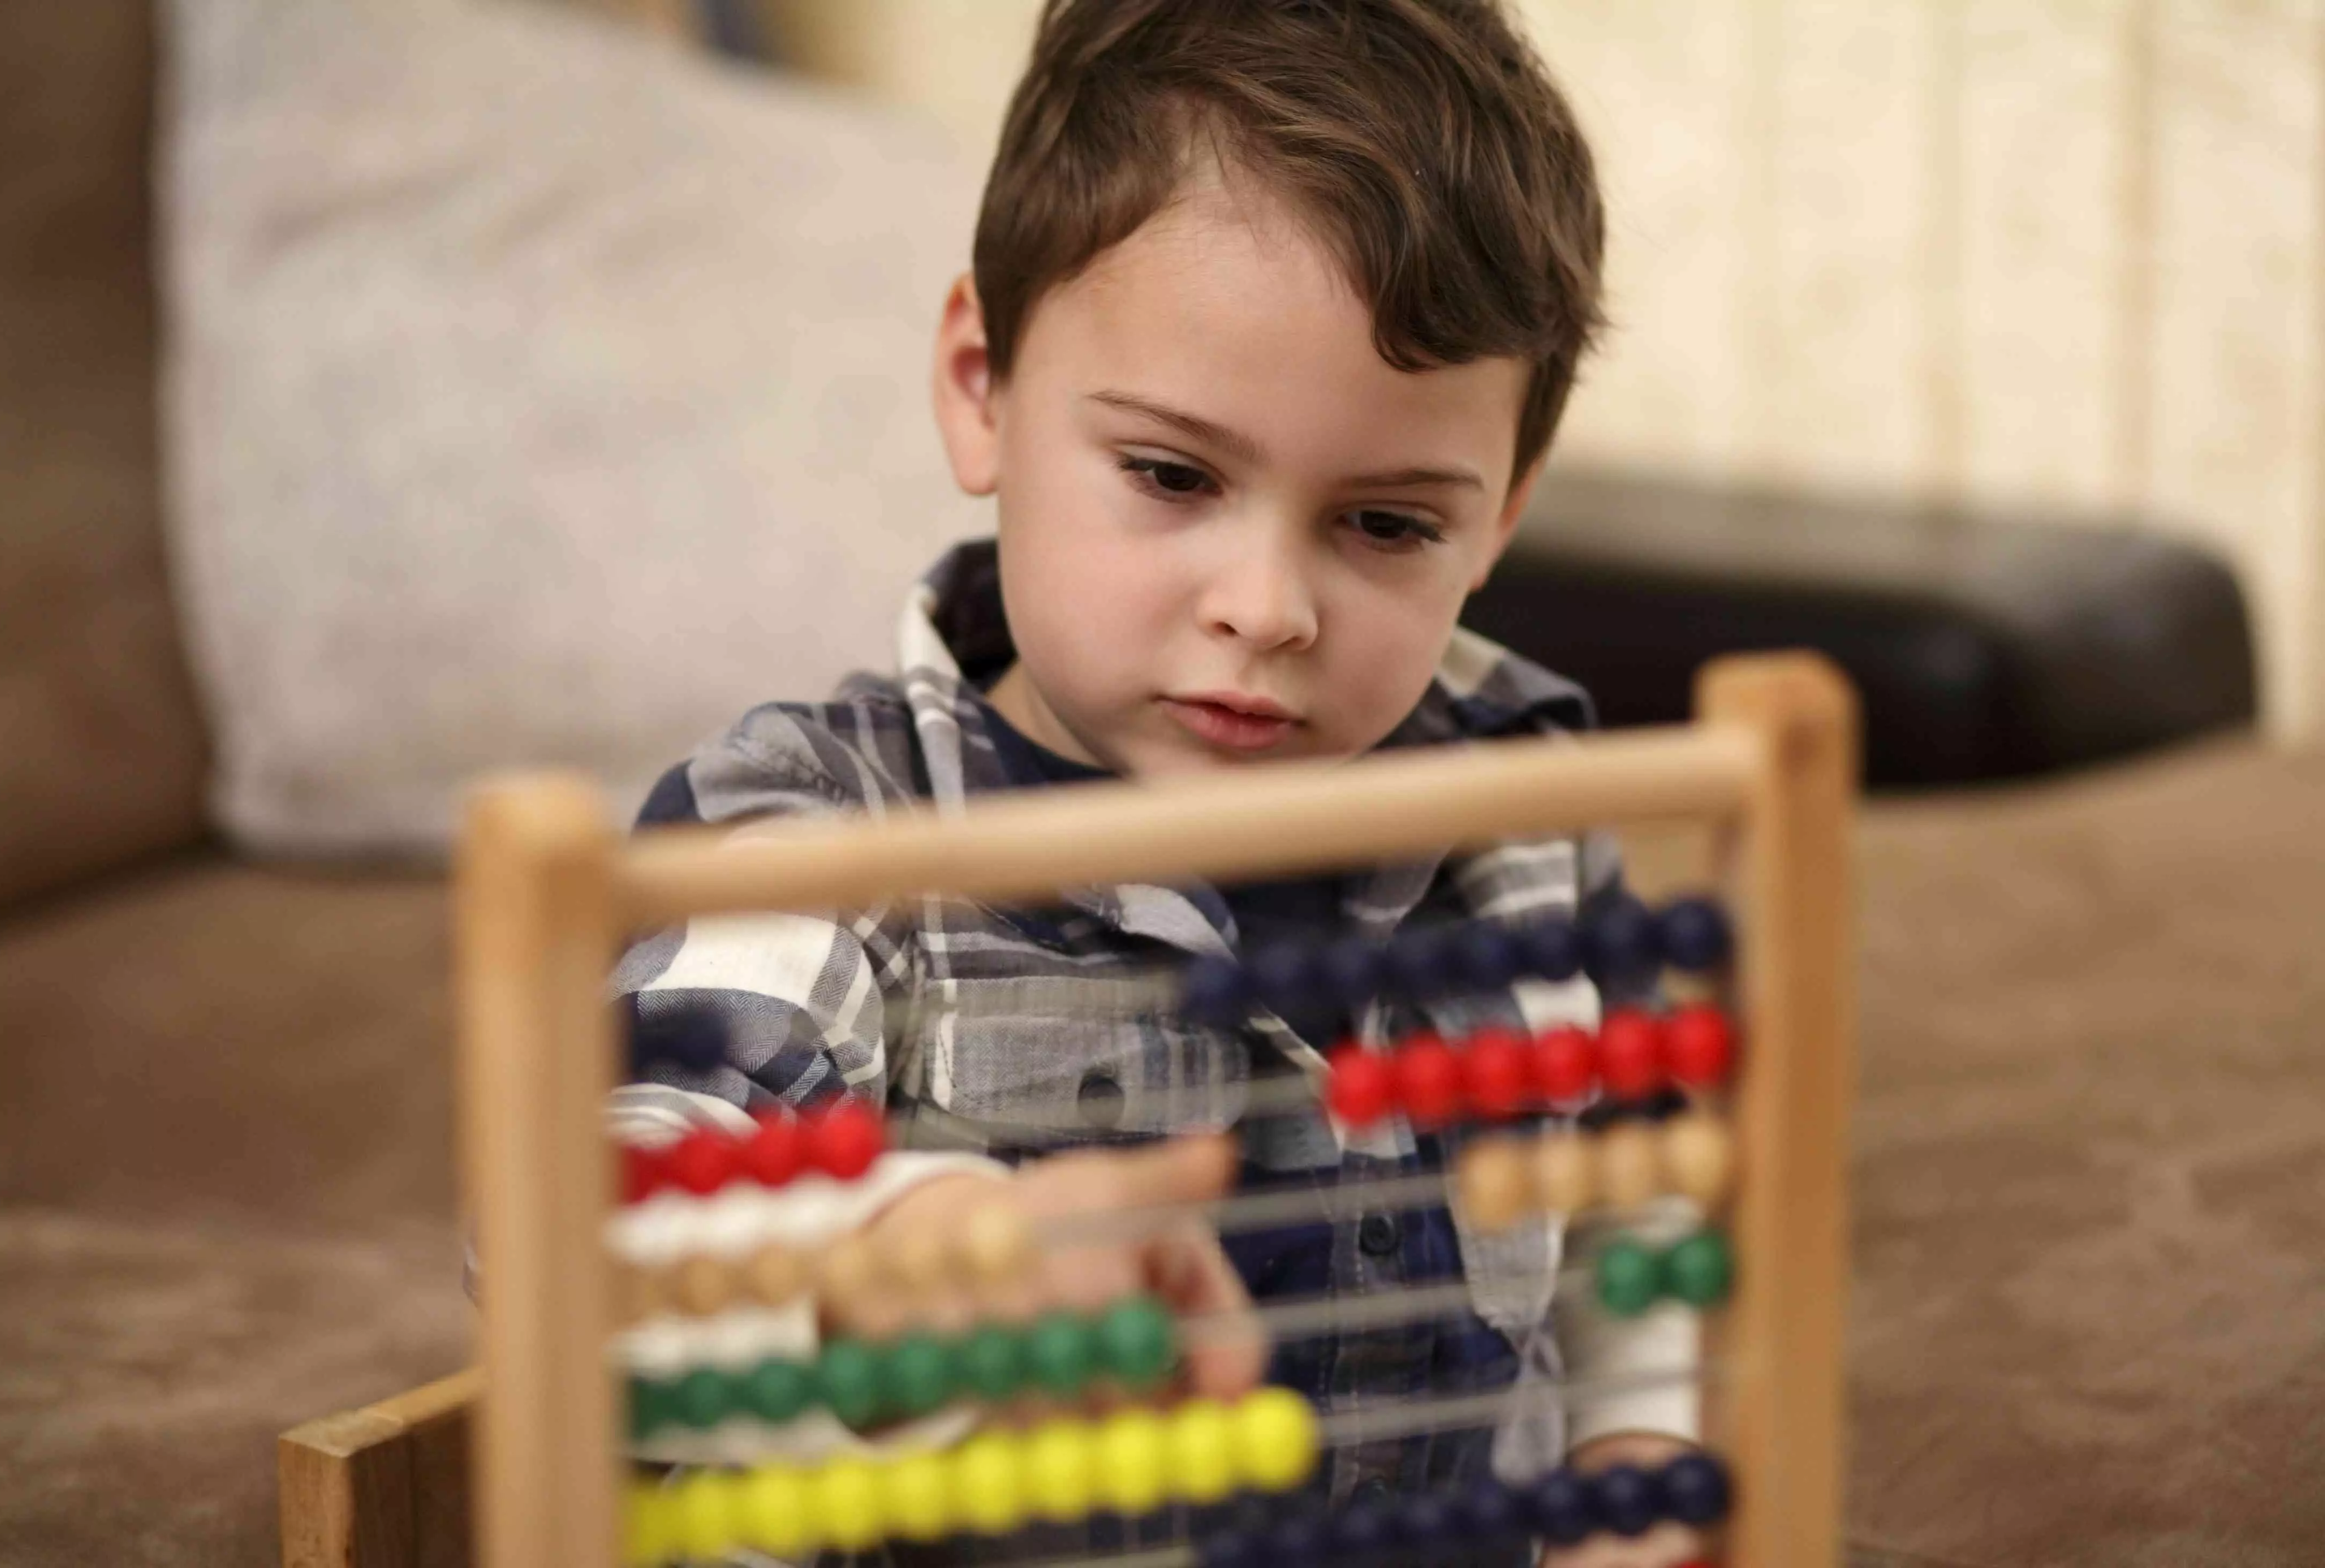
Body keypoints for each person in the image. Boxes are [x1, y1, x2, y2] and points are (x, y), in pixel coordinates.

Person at [613, 2, 1701, 1561]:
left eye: (1389, 524)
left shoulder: (1521, 818)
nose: (1269, 608)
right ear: (983, 385)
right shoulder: (810, 844)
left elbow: (1630, 1209)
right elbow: (613, 1273)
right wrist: (887, 1274)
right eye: (1176, 477)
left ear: (1506, 512)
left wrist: (1641, 1460)